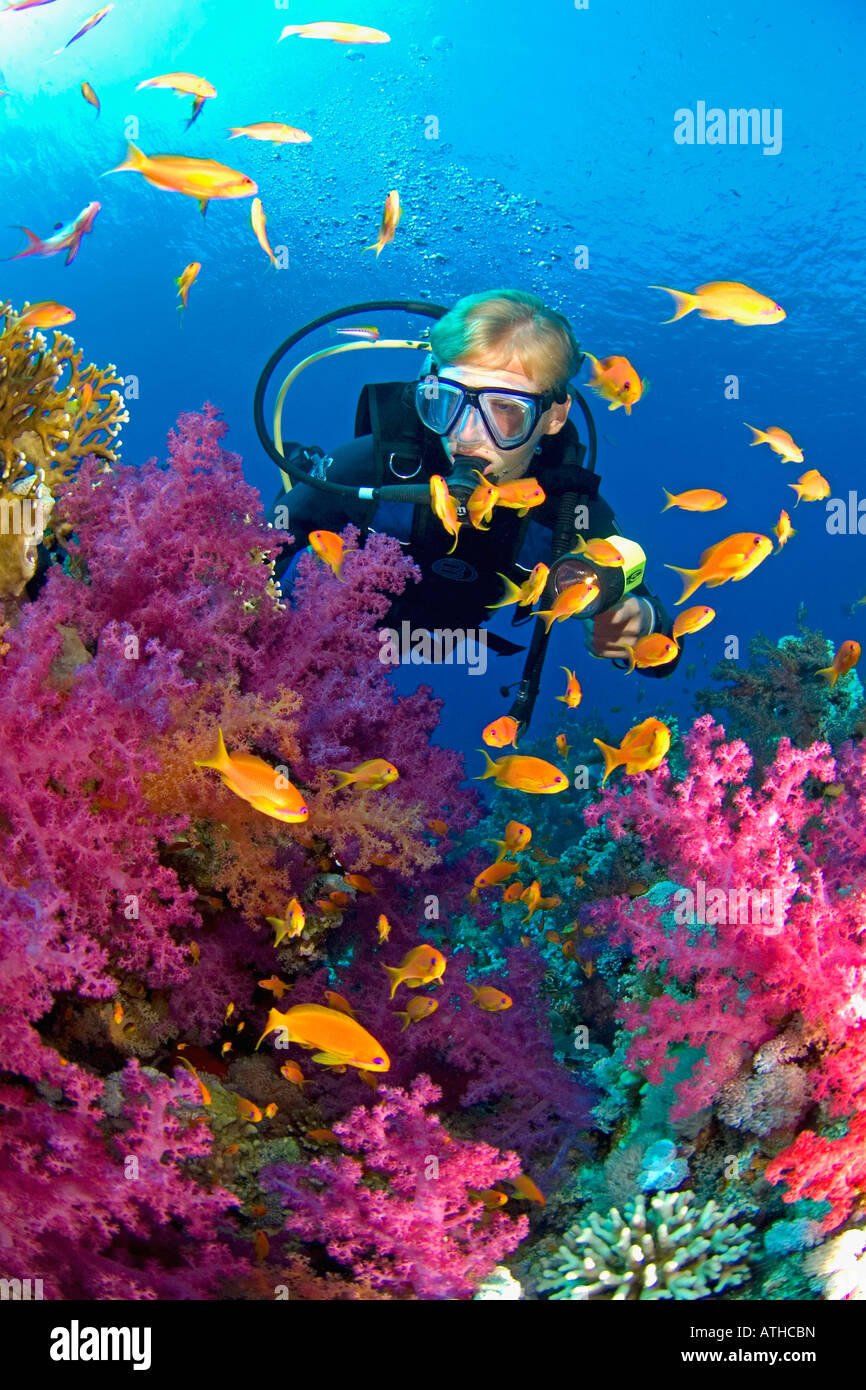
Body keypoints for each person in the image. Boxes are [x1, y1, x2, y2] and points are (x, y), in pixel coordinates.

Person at [270, 288, 681, 684]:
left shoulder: (566, 507)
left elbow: (657, 655)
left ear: (555, 416)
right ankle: (305, 459)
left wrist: (641, 619)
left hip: (454, 633)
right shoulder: (374, 465)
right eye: (447, 400)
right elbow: (263, 547)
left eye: (505, 410)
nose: (466, 434)